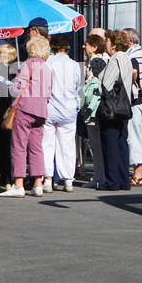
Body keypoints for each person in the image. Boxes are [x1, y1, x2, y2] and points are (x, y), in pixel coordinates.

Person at [0, 34, 53, 198]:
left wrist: (9, 86)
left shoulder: (27, 65)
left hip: (25, 109)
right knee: (36, 148)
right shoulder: (47, 68)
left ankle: (18, 184)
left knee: (19, 146)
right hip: (41, 110)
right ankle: (38, 183)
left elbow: (17, 88)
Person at [97, 29, 133, 190]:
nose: (106, 44)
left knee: (110, 145)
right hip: (124, 107)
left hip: (112, 108)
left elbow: (107, 83)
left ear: (114, 44)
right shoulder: (127, 58)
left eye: (108, 41)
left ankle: (112, 181)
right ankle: (124, 179)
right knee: (121, 143)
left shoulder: (115, 59)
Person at [45, 34, 82, 192]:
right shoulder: (74, 65)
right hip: (68, 108)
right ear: (67, 47)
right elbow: (78, 87)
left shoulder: (48, 63)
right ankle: (68, 179)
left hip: (50, 107)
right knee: (67, 145)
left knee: (47, 144)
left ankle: (47, 179)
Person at [124, 27, 142, 186]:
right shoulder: (140, 53)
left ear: (130, 41)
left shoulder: (133, 55)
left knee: (134, 137)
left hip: (136, 101)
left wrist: (130, 80)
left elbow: (134, 71)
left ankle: (138, 173)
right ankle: (139, 172)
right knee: (138, 136)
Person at [0, 42, 19, 189]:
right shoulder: (17, 71)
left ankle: (5, 177)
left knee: (2, 147)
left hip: (0, 111)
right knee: (14, 146)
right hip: (14, 111)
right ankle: (13, 176)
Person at [82, 32, 108, 187]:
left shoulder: (95, 61)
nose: (84, 47)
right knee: (98, 144)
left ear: (95, 47)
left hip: (94, 108)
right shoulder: (105, 59)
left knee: (96, 144)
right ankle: (100, 176)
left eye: (88, 44)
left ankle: (99, 177)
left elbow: (93, 86)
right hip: (100, 108)